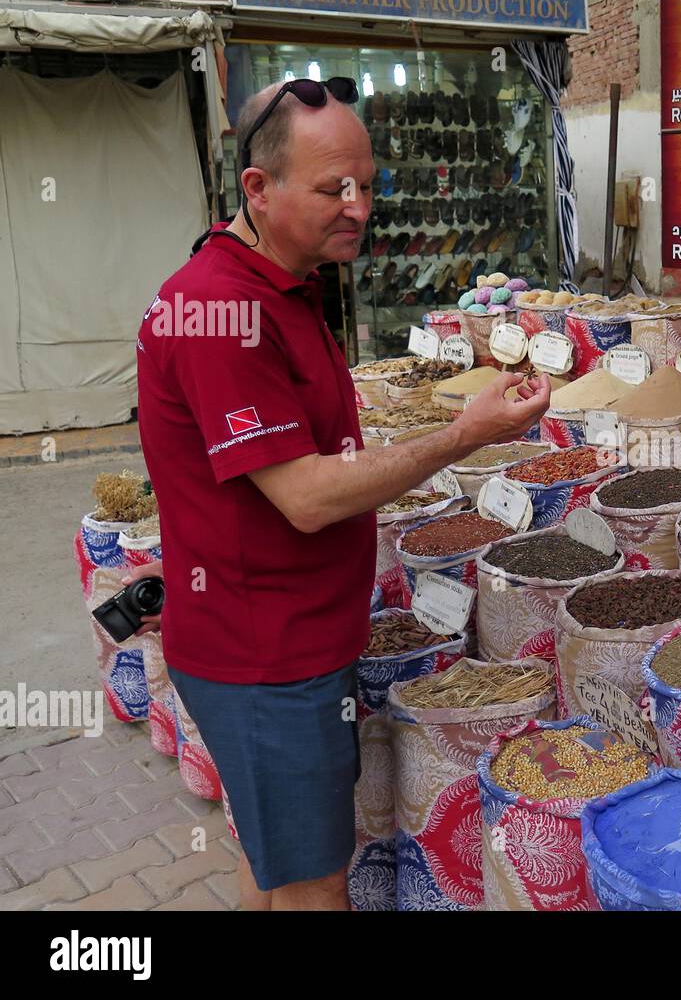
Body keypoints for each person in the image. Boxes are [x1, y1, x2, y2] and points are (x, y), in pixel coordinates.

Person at [128, 77, 550, 911]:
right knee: (319, 884)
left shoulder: (284, 277)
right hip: (265, 658)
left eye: (367, 183)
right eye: (333, 188)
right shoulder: (220, 308)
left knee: (272, 863)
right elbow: (310, 497)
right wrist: (463, 434)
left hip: (282, 638)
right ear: (258, 186)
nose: (359, 206)